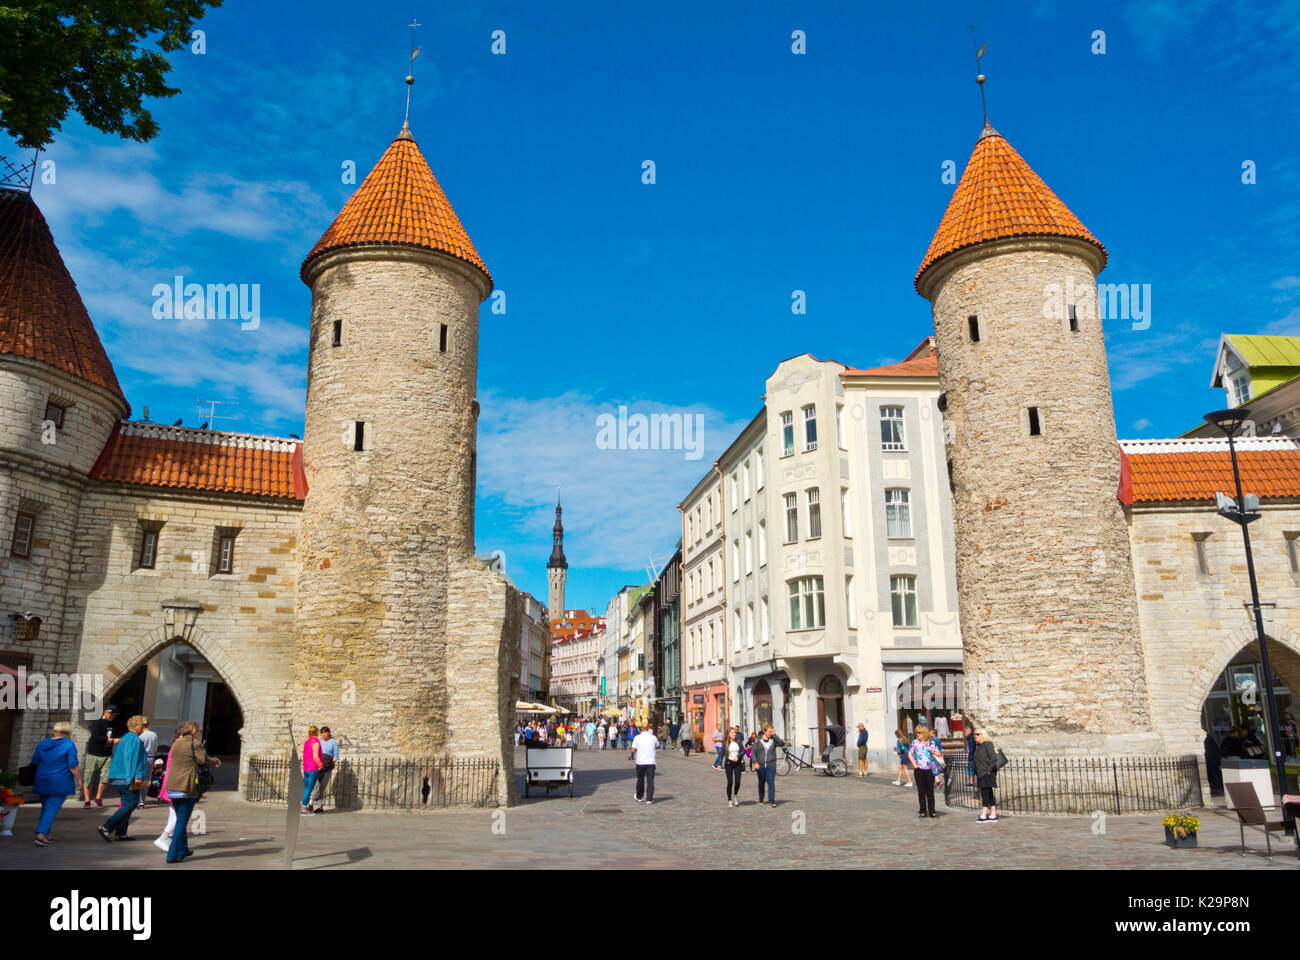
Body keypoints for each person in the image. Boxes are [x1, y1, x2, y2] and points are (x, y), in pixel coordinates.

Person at [162, 720, 221, 863]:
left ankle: (183, 849)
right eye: (200, 731)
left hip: (173, 786)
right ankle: (172, 854)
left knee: (180, 817)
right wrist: (216, 761)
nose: (200, 733)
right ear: (194, 731)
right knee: (182, 822)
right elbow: (203, 760)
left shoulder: (177, 742)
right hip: (186, 786)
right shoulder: (194, 743)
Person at [97, 714, 148, 841]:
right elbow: (133, 759)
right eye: (142, 725)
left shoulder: (126, 738)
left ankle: (121, 833)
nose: (143, 727)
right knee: (131, 803)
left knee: (126, 804)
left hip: (121, 776)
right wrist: (137, 776)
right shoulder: (133, 739)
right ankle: (106, 827)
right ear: (136, 726)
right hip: (127, 777)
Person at [31, 721, 81, 847]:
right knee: (52, 809)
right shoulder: (69, 744)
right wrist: (79, 780)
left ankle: (46, 834)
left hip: (42, 779)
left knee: (46, 808)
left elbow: (35, 761)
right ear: (68, 732)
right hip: (60, 781)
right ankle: (41, 835)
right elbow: (73, 765)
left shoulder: (42, 744)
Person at [83, 704, 119, 808]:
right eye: (111, 714)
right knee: (88, 777)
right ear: (105, 712)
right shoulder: (97, 723)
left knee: (105, 777)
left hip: (107, 754)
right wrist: (111, 740)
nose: (112, 716)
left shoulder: (116, 724)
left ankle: (98, 798)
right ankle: (87, 800)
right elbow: (97, 736)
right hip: (93, 753)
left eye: (114, 715)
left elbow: (117, 735)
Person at [153, 733, 180, 852]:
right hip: (173, 784)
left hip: (169, 784)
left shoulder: (174, 747)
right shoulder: (178, 749)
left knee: (173, 812)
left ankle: (169, 837)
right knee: (177, 814)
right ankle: (164, 836)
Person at [908, 724, 942, 819]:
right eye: (916, 733)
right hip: (919, 770)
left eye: (919, 733)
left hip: (929, 769)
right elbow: (910, 754)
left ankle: (932, 811)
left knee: (930, 791)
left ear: (924, 733)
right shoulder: (915, 743)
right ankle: (922, 810)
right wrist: (915, 765)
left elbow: (939, 754)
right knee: (921, 791)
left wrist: (932, 751)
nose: (917, 734)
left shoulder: (931, 743)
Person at [750, 725, 784, 807]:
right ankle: (761, 798)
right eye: (769, 732)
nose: (770, 734)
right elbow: (753, 753)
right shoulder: (758, 741)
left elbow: (782, 744)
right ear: (765, 731)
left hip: (771, 765)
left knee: (771, 782)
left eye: (771, 732)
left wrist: (775, 735)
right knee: (761, 783)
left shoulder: (773, 740)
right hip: (760, 766)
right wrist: (755, 762)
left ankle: (772, 800)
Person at [972, 728, 999, 823]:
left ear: (983, 735)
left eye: (978, 734)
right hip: (980, 772)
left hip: (987, 773)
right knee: (989, 793)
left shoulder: (988, 744)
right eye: (974, 734)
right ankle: (993, 813)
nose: (975, 736)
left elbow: (993, 758)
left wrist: (988, 770)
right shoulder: (978, 746)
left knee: (985, 793)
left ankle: (984, 813)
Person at [310, 725, 339, 812]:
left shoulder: (333, 742)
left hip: (327, 766)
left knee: (322, 786)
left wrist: (332, 761)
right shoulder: (319, 742)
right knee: (317, 786)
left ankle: (311, 802)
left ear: (329, 733)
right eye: (322, 733)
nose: (324, 734)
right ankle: (320, 807)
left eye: (325, 732)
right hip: (318, 766)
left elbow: (335, 754)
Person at [629, 721, 658, 804]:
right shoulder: (653, 737)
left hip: (640, 761)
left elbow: (633, 749)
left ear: (641, 728)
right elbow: (657, 745)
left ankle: (639, 796)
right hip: (651, 762)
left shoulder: (637, 738)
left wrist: (632, 756)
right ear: (648, 728)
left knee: (640, 779)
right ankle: (649, 799)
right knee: (650, 780)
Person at [301, 725, 324, 816]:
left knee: (306, 788)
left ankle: (304, 807)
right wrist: (321, 765)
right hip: (312, 768)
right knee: (309, 789)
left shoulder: (307, 742)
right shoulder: (316, 742)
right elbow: (315, 756)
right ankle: (303, 809)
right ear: (316, 732)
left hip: (306, 768)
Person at [137, 717, 158, 807]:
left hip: (142, 757)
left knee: (138, 778)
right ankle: (142, 801)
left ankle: (138, 799)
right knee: (147, 780)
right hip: (151, 757)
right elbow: (156, 747)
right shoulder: (154, 735)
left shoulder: (140, 735)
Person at [724, 726, 745, 807]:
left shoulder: (738, 742)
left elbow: (743, 751)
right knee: (730, 782)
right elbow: (722, 754)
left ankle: (735, 796)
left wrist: (738, 757)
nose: (734, 734)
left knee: (738, 781)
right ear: (729, 734)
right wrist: (718, 764)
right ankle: (729, 800)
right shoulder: (725, 743)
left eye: (735, 733)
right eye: (732, 733)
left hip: (737, 763)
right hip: (729, 763)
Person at [1203, 725, 1223, 794]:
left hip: (1211, 759)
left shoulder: (1207, 739)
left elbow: (1210, 751)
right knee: (1212, 775)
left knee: (1216, 774)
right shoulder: (1209, 738)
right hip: (1211, 759)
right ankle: (1214, 788)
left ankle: (1221, 788)